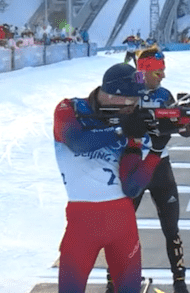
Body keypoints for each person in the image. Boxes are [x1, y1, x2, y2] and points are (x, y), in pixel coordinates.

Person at [53, 62, 163, 293]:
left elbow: (132, 187)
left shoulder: (131, 121)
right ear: (113, 95)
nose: (134, 106)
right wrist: (121, 130)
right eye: (131, 100)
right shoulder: (69, 108)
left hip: (122, 220)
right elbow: (77, 143)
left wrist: (155, 152)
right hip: (82, 221)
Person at [105, 47, 190, 293]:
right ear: (145, 71)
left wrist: (188, 126)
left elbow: (180, 126)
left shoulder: (165, 94)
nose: (163, 76)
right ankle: (113, 281)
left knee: (172, 227)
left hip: (161, 168)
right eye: (159, 72)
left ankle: (180, 282)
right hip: (135, 166)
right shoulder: (126, 93)